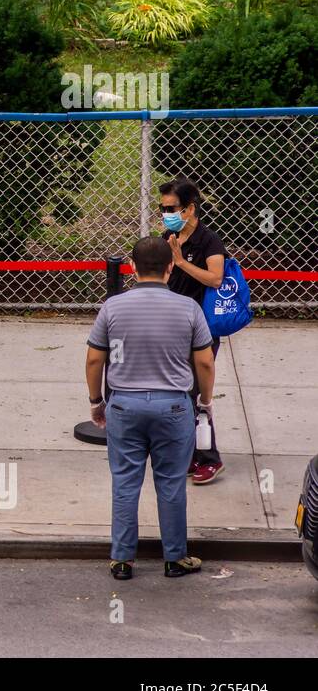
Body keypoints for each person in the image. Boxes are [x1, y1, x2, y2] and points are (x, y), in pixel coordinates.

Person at [86, 236, 216, 581]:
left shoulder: (112, 307)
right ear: (171, 268)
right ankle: (174, 558)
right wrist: (204, 402)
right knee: (171, 483)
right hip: (173, 406)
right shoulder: (189, 308)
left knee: (125, 482)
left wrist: (97, 401)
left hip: (124, 405)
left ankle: (122, 560)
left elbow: (94, 357)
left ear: (131, 268)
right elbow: (204, 362)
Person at [159, 178, 227, 485]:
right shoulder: (168, 236)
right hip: (172, 327)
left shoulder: (208, 241)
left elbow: (214, 278)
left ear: (189, 209)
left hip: (201, 327)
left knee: (197, 394)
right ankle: (188, 454)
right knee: (179, 393)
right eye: (162, 208)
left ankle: (209, 458)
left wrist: (179, 262)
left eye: (171, 208)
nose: (165, 213)